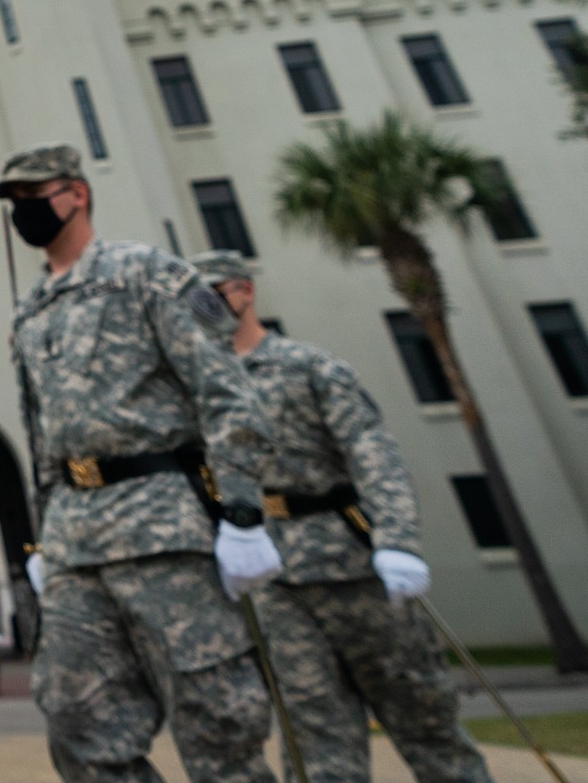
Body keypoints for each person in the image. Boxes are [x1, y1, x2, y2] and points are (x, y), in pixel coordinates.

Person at [0, 145, 283, 783]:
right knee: (77, 723)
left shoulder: (149, 273)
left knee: (219, 724)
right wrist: (45, 537)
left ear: (76, 193)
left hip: (161, 529)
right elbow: (43, 437)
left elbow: (228, 393)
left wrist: (241, 509)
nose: (23, 210)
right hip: (74, 543)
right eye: (14, 202)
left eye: (34, 193)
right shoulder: (30, 310)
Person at [193, 254, 491, 783]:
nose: (201, 309)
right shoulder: (198, 389)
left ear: (244, 292)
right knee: (312, 733)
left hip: (352, 563)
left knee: (423, 717)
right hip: (272, 577)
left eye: (212, 294)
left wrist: (397, 539)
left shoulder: (308, 366)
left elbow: (373, 453)